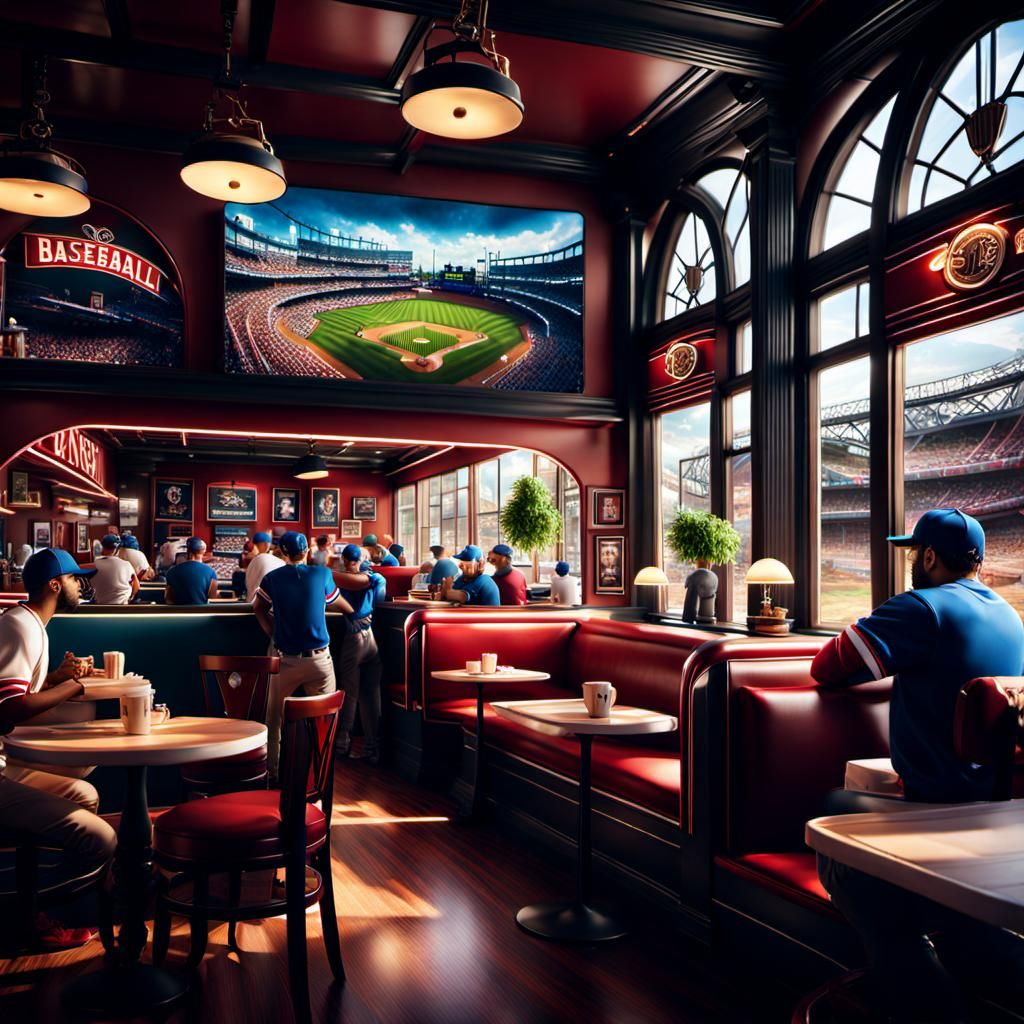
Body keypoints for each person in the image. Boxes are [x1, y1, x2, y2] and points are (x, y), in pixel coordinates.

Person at [811, 509, 1024, 1022]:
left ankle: (927, 996)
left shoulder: (921, 608)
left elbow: (828, 667)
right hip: (996, 811)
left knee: (834, 822)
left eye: (914, 553)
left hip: (935, 807)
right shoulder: (1009, 613)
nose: (912, 562)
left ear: (928, 556)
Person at [0, 549, 116, 950]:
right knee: (103, 839)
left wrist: (55, 679)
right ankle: (26, 920)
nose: (80, 585)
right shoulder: (20, 626)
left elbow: (20, 693)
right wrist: (75, 687)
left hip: (4, 762)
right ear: (54, 584)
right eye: (73, 578)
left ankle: (35, 904)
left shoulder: (32, 624)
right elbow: (10, 706)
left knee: (86, 794)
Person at [253, 532, 352, 774]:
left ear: (282, 553)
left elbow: (258, 607)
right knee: (324, 721)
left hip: (285, 660)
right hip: (319, 661)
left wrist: (272, 633)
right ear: (306, 550)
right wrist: (352, 611)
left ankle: (272, 774)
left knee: (273, 721)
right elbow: (338, 603)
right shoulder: (322, 574)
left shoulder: (272, 578)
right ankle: (321, 775)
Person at [332, 544, 386, 763]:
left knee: (350, 693)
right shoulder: (376, 578)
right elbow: (380, 602)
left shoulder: (341, 580)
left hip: (354, 637)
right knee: (370, 694)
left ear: (345, 560)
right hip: (371, 636)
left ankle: (342, 746)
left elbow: (334, 604)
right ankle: (372, 749)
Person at [164, 537, 218, 605]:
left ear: (187, 551)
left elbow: (168, 599)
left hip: (178, 613)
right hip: (202, 613)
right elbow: (213, 599)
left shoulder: (172, 571)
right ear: (203, 551)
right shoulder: (211, 572)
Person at [91, 534, 139, 605]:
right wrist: (130, 598)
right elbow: (136, 586)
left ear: (102, 547)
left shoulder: (94, 565)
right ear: (117, 549)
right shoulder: (126, 564)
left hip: (100, 608)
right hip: (122, 608)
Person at [244, 532, 284, 600]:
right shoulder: (268, 559)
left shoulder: (253, 559)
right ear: (265, 544)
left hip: (251, 600)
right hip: (262, 603)